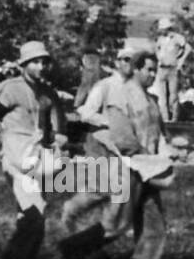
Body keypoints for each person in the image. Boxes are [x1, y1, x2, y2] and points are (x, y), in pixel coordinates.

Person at [58, 51, 170, 259]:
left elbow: (159, 133)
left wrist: (164, 157)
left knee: (153, 222)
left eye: (154, 71)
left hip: (149, 169)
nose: (152, 74)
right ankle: (70, 250)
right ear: (136, 70)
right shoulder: (120, 96)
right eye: (148, 69)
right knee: (117, 224)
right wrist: (142, 158)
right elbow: (121, 136)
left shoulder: (152, 100)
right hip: (131, 167)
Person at [0, 40, 66, 259]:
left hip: (38, 158)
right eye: (35, 62)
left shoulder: (47, 92)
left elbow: (58, 126)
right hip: (16, 157)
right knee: (35, 213)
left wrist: (57, 139)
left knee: (31, 212)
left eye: (44, 62)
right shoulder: (11, 89)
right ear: (24, 65)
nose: (41, 67)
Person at [59, 45, 137, 233]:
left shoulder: (137, 89)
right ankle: (71, 210)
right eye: (126, 59)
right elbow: (85, 112)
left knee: (124, 187)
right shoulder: (105, 85)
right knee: (101, 189)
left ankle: (110, 227)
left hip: (124, 145)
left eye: (135, 61)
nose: (130, 64)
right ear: (118, 63)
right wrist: (110, 122)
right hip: (100, 142)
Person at [152, 16, 191, 121]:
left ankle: (174, 118)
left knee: (173, 96)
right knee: (162, 96)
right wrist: (158, 57)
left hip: (172, 69)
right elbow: (156, 48)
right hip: (161, 69)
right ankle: (165, 119)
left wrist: (180, 61)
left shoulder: (177, 38)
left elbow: (187, 48)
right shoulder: (160, 39)